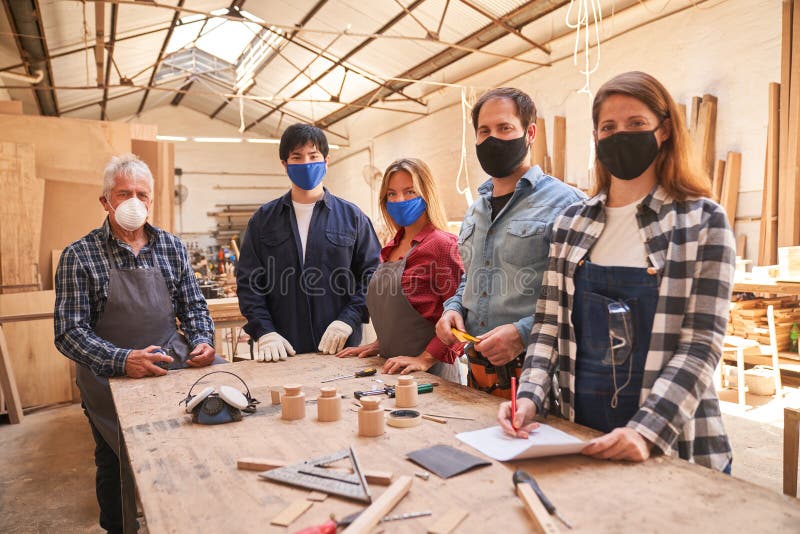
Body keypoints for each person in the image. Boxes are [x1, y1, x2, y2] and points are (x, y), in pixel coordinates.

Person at [498, 71, 734, 472]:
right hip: (580, 429)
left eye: (636, 124)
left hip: (671, 440)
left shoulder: (701, 221)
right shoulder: (571, 224)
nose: (620, 134)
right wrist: (530, 396)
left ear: (663, 131)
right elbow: (547, 326)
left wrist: (645, 432)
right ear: (596, 139)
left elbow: (700, 346)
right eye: (608, 127)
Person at [54, 154, 223, 533]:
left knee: (187, 446)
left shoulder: (172, 248)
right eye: (123, 193)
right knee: (116, 462)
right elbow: (68, 331)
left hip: (169, 365)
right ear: (105, 201)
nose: (134, 202)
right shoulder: (79, 255)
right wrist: (121, 359)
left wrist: (201, 340)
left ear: (152, 199)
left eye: (142, 194)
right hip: (109, 377)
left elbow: (193, 305)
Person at [435, 87, 585, 398]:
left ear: (529, 132)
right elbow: (473, 276)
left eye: (505, 128)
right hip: (478, 378)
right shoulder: (476, 211)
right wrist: (453, 307)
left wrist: (522, 333)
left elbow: (583, 295)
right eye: (484, 131)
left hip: (543, 380)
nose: (493, 140)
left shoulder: (568, 205)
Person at [237, 123, 381, 361]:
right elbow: (249, 283)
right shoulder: (263, 220)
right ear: (285, 164)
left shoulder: (352, 218)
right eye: (297, 157)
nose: (306, 163)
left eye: (313, 156)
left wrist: (349, 319)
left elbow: (373, 276)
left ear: (326, 161)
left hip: (341, 348)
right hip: (281, 350)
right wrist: (265, 331)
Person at [336, 158, 465, 383]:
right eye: (392, 194)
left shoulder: (443, 246)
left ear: (427, 194)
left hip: (432, 377)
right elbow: (400, 316)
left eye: (409, 192)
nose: (399, 200)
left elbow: (463, 320)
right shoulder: (390, 248)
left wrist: (425, 359)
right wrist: (381, 344)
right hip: (392, 371)